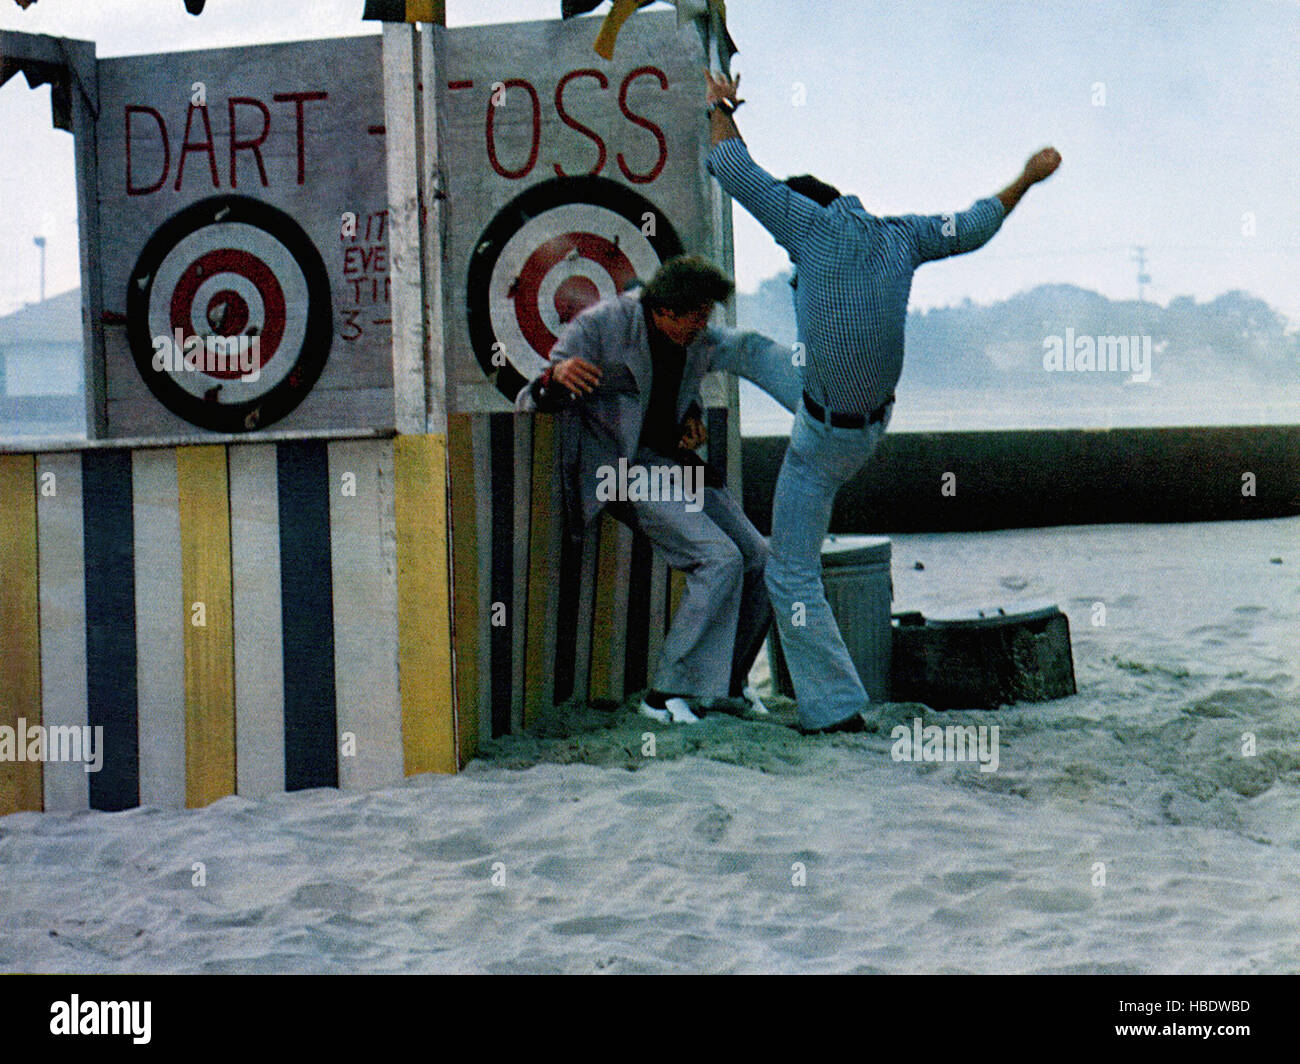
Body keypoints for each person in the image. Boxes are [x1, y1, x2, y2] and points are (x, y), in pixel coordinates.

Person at [703, 69, 1062, 734]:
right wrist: (1028, 175)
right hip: (856, 412)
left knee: (789, 574)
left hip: (823, 440)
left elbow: (730, 164)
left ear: (801, 216)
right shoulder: (902, 234)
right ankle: (681, 346)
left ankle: (834, 707)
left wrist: (720, 105)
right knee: (747, 348)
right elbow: (980, 222)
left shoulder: (805, 230)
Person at [517, 254, 798, 724]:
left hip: (673, 466)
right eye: (697, 315)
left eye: (709, 314)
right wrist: (555, 378)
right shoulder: (603, 324)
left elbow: (689, 386)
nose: (704, 325)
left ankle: (726, 685)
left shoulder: (697, 340)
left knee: (759, 558)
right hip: (619, 469)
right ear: (663, 310)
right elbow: (532, 397)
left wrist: (692, 418)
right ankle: (666, 692)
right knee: (719, 558)